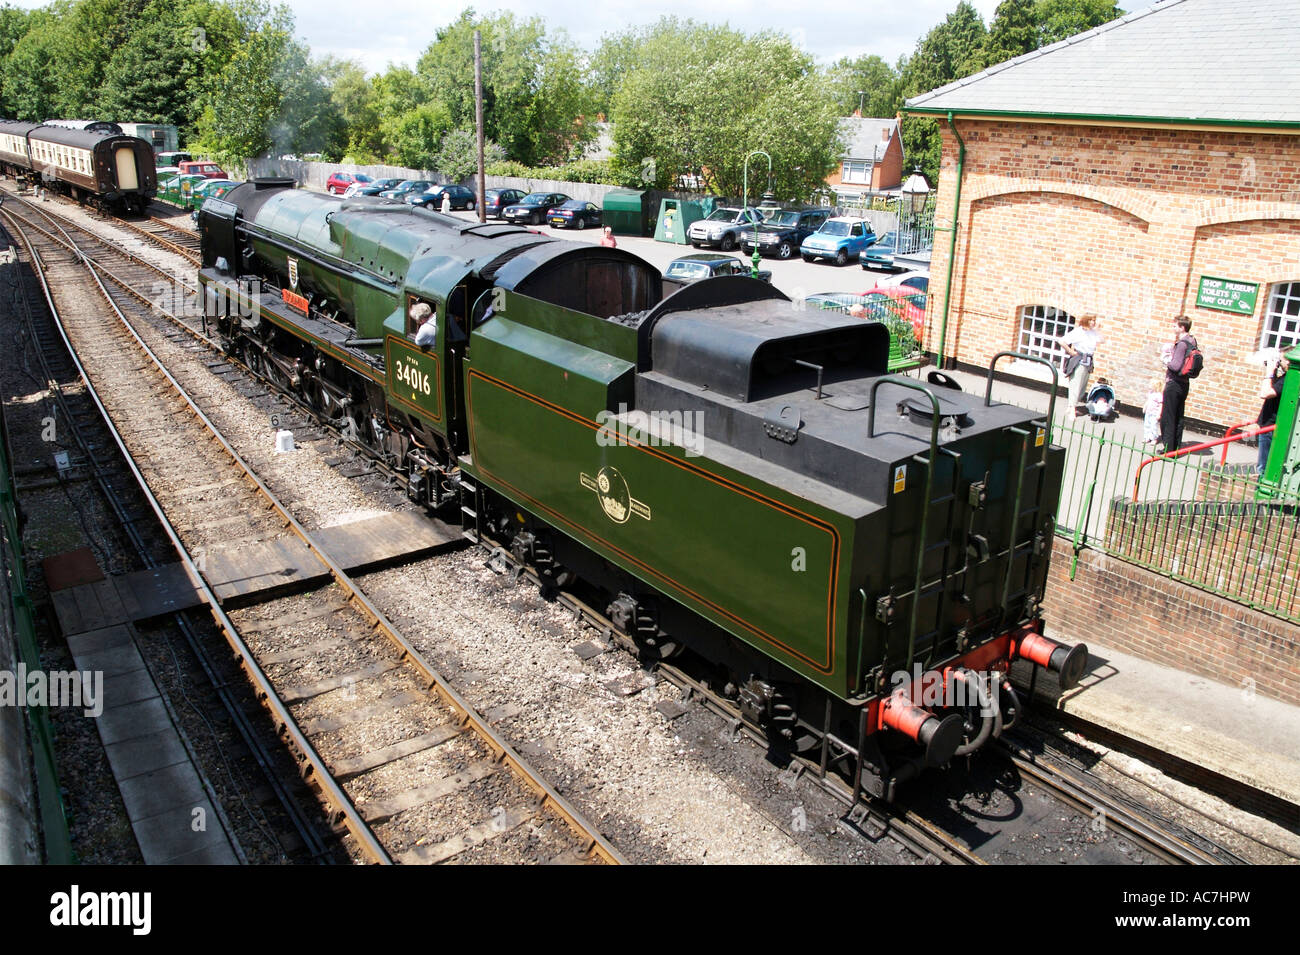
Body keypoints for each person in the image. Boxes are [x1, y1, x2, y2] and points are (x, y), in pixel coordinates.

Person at [1157, 316, 1197, 453]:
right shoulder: (1192, 341)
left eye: (1175, 326)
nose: (1173, 328)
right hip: (1184, 384)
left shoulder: (1182, 344)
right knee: (1179, 416)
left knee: (1168, 416)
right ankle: (1176, 447)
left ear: (1182, 328)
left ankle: (1168, 449)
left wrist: (1165, 360)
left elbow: (1175, 366)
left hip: (1174, 384)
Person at [1252, 355, 1287, 474]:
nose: (1279, 362)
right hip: (1269, 426)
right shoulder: (1284, 378)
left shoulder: (1287, 380)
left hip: (1270, 428)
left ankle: (1261, 490)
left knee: (1264, 466)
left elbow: (1265, 393)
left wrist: (1269, 373)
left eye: (1281, 360)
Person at [1059, 315, 1100, 416]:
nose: (1093, 322)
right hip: (1079, 359)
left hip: (1088, 359)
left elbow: (1102, 340)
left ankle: (1070, 406)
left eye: (1094, 320)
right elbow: (1061, 341)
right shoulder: (1078, 331)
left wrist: (1098, 329)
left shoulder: (1093, 332)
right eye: (1091, 320)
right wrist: (1070, 351)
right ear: (1086, 321)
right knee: (1075, 384)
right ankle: (1072, 409)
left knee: (1082, 387)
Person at [1142, 378, 1164, 444]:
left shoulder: (1159, 395)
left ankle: (1154, 438)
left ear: (1155, 386)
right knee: (1146, 425)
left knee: (1153, 426)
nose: (1150, 386)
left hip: (1154, 414)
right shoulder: (1150, 393)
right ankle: (1147, 437)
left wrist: (1159, 414)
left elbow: (1161, 405)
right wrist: (1145, 407)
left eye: (1151, 384)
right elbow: (1148, 401)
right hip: (1148, 412)